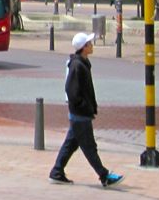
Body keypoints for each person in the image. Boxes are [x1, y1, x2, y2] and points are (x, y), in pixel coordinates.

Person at [49, 32, 124, 188]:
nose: (92, 45)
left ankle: (57, 172)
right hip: (80, 114)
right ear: (84, 47)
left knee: (71, 144)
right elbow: (71, 91)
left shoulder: (82, 62)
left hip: (80, 113)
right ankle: (104, 176)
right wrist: (84, 106)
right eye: (89, 43)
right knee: (89, 147)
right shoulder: (77, 65)